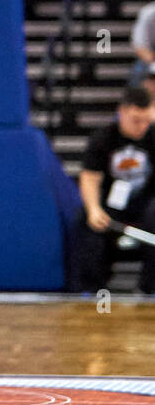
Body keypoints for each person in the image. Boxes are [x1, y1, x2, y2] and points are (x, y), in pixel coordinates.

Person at [72, 87, 155, 294]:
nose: (142, 126)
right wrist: (93, 209)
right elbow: (90, 177)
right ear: (122, 112)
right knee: (86, 222)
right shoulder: (103, 138)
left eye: (147, 120)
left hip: (146, 203)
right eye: (136, 120)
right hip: (113, 204)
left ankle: (149, 288)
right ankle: (93, 289)